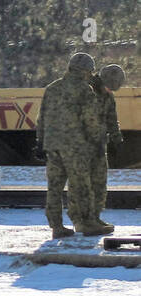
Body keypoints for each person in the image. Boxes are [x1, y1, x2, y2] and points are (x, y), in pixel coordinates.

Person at [35, 52, 108, 237]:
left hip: (52, 146)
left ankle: (56, 227)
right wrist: (99, 140)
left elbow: (41, 118)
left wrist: (40, 141)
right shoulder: (84, 90)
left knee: (54, 187)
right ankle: (86, 223)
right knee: (80, 185)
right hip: (75, 146)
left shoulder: (52, 88)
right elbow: (90, 120)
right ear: (86, 71)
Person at [89, 64, 126, 227]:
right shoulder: (84, 92)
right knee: (83, 184)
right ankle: (84, 220)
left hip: (98, 145)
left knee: (100, 181)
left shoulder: (108, 96)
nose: (109, 91)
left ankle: (95, 216)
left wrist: (117, 139)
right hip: (81, 145)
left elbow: (112, 119)